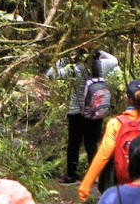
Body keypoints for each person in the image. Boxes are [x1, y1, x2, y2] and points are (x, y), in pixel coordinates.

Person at [77, 77, 140, 201]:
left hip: (121, 186)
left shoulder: (115, 124)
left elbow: (102, 156)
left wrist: (85, 187)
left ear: (126, 98)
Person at [51, 48, 119, 184]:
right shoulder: (102, 65)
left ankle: (71, 175)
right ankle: (95, 175)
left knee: (74, 144)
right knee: (92, 144)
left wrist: (65, 58)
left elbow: (51, 74)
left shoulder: (75, 69)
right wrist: (100, 51)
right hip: (96, 110)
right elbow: (115, 61)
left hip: (77, 112)